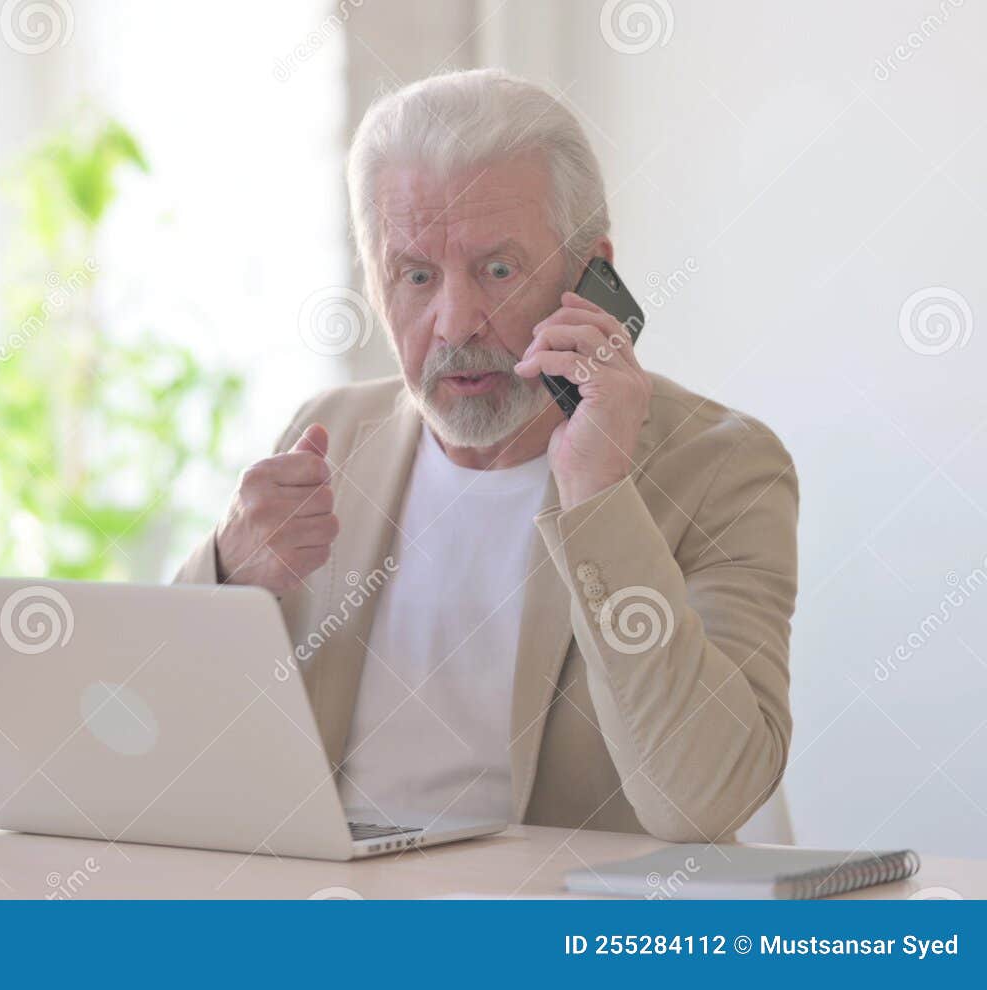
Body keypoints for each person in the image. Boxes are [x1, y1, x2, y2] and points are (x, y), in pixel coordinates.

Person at [175, 69, 797, 842]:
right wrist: (229, 577)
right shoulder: (330, 433)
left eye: (498, 270)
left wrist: (598, 491)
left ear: (590, 277)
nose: (455, 322)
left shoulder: (725, 469)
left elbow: (703, 805)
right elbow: (163, 752)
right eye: (416, 275)